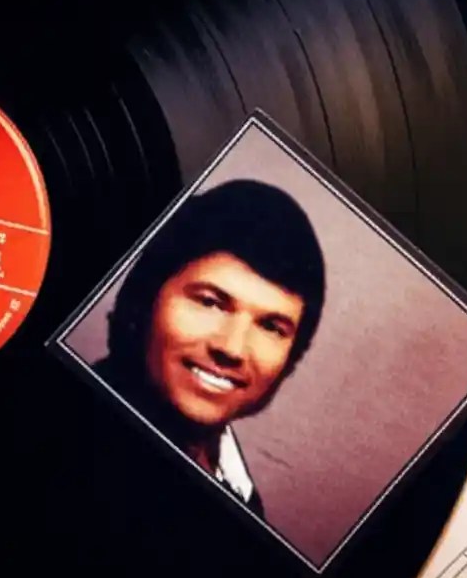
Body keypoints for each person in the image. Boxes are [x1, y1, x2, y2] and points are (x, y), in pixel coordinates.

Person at [94, 179, 327, 518]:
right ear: (145, 298)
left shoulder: (236, 483)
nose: (231, 348)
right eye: (210, 302)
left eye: (270, 327)